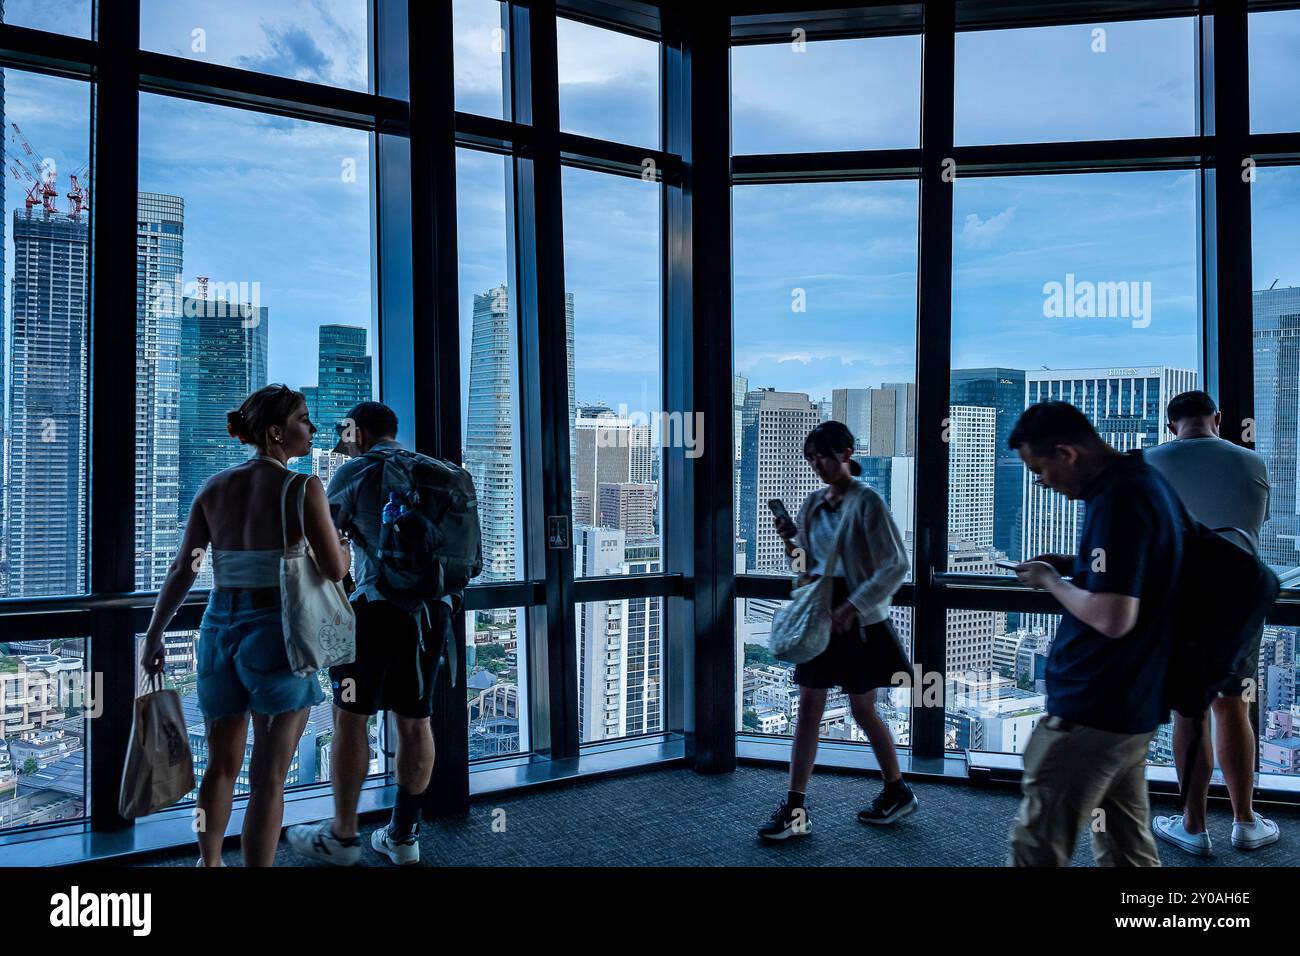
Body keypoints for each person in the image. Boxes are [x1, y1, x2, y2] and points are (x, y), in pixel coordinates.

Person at [140, 384, 351, 867]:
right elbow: (334, 569)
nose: (312, 429)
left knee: (220, 766)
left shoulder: (214, 487)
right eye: (302, 419)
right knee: (270, 777)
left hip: (217, 629)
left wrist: (154, 634)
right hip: (276, 631)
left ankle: (208, 862)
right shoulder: (302, 487)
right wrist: (341, 546)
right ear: (276, 432)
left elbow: (185, 568)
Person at [1006, 401, 1182, 867]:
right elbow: (1137, 573)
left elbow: (1112, 616)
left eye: (1040, 470)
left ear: (1067, 453)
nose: (1041, 483)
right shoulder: (1144, 480)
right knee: (1127, 845)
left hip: (1093, 705)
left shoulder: (1117, 500)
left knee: (1037, 844)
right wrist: (1076, 565)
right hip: (1130, 705)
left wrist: (1051, 580)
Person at [286, 402, 460, 866]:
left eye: (345, 430)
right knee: (415, 720)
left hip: (375, 615)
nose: (340, 437)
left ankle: (343, 835)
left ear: (359, 432)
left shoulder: (356, 472)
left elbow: (322, 545)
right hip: (432, 616)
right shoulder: (435, 471)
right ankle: (404, 836)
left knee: (350, 717)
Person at [759, 420, 915, 841]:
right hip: (827, 612)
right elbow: (805, 567)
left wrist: (853, 606)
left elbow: (897, 565)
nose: (818, 464)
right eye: (811, 458)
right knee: (811, 707)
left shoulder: (868, 502)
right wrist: (790, 542)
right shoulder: (811, 503)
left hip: (856, 618)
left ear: (846, 454)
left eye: (824, 455)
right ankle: (796, 805)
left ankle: (896, 789)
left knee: (863, 711)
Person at [1143, 390, 1280, 855]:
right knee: (1233, 705)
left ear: (1170, 426)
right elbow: (1251, 528)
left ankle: (1194, 826)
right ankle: (1245, 821)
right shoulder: (1252, 463)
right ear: (1217, 419)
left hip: (1179, 599)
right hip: (1239, 599)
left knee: (1189, 711)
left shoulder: (1149, 463)